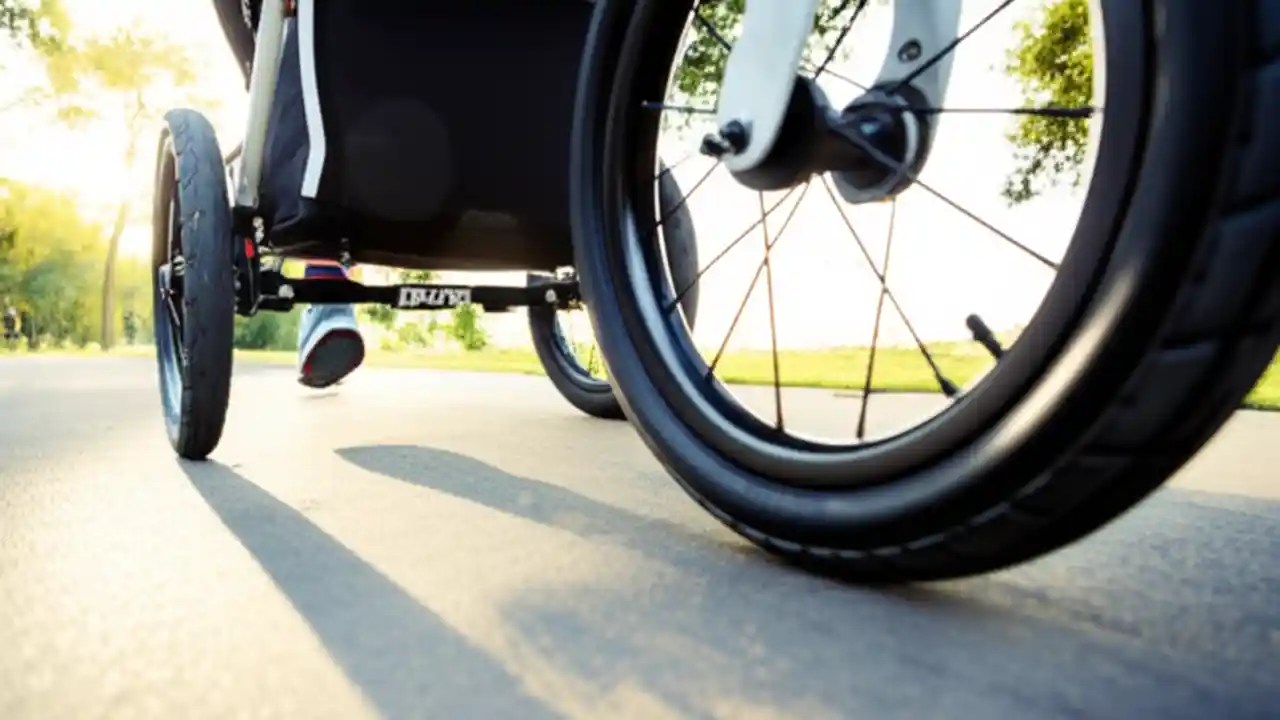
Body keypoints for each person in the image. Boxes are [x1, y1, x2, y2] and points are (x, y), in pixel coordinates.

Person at [296, 260, 365, 388]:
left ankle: (322, 357)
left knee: (318, 315)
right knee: (325, 314)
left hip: (324, 280)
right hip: (330, 281)